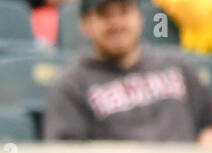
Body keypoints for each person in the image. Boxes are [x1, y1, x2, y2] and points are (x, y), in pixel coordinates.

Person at [44, 0, 212, 144]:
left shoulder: (178, 67)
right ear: (85, 24)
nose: (116, 24)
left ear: (140, 17)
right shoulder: (72, 84)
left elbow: (208, 122)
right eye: (105, 15)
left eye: (124, 12)